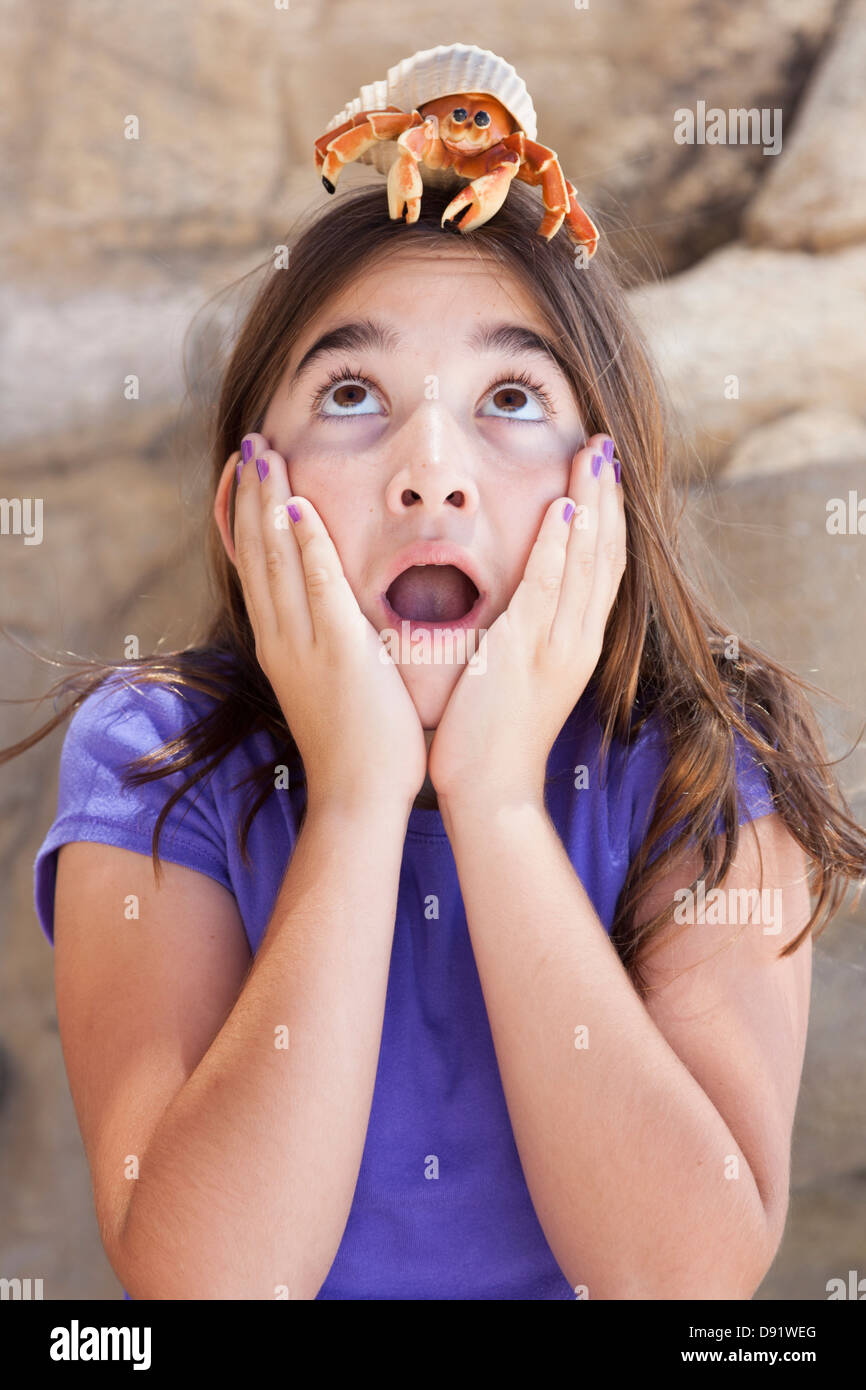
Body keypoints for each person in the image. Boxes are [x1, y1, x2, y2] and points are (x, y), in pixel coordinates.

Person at [10, 181, 865, 1300]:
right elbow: (209, 1284)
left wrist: (499, 804)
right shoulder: (154, 755)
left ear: (607, 493)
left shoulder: (703, 763)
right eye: (351, 391)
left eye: (510, 394)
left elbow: (681, 1286)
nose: (429, 472)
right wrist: (362, 801)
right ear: (246, 509)